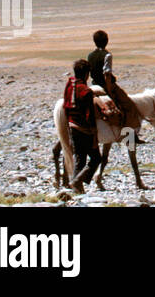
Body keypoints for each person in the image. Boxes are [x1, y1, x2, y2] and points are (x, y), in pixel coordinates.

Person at [63, 59, 101, 192]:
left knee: (80, 158)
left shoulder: (69, 85)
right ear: (86, 74)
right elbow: (89, 115)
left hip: (72, 126)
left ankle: (77, 189)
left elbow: (65, 106)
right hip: (84, 130)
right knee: (96, 158)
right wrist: (94, 136)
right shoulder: (86, 91)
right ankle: (77, 181)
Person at [88, 29, 139, 125]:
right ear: (107, 41)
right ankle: (129, 137)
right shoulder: (107, 55)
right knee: (129, 106)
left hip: (94, 85)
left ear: (95, 42)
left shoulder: (90, 55)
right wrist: (110, 91)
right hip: (106, 86)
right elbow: (106, 74)